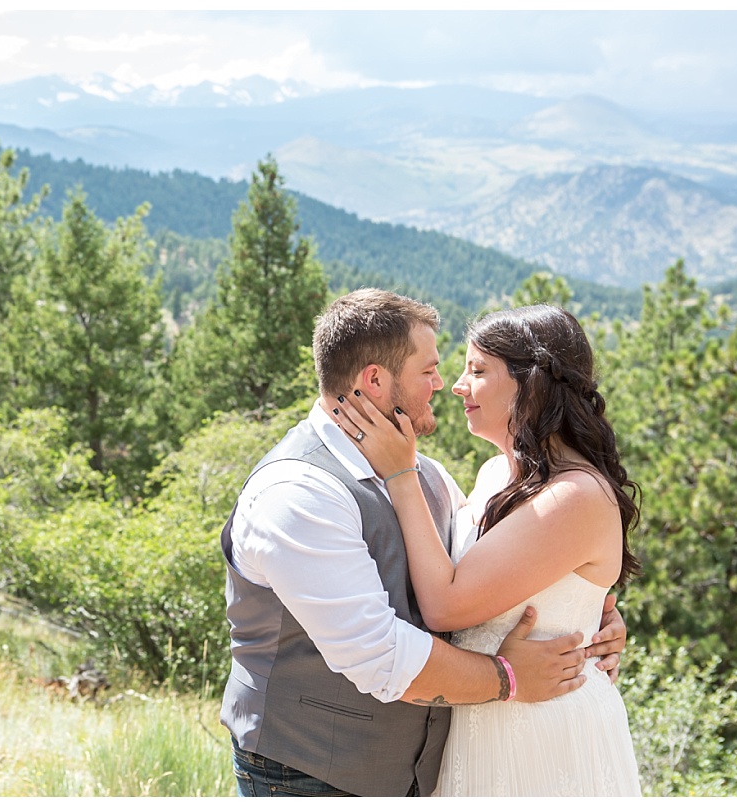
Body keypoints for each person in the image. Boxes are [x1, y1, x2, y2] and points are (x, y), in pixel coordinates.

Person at [220, 289, 628, 797]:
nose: (448, 385)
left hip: (507, 746)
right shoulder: (299, 493)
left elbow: (516, 568)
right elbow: (381, 653)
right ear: (375, 380)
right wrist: (508, 677)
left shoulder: (427, 477)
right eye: (430, 370)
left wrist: (587, 618)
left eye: (473, 370)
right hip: (311, 775)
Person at [331, 303, 643, 796]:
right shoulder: (496, 474)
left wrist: (401, 474)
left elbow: (446, 604)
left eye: (477, 371)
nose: (457, 385)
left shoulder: (575, 496)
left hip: (541, 735)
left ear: (533, 383)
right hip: (483, 725)